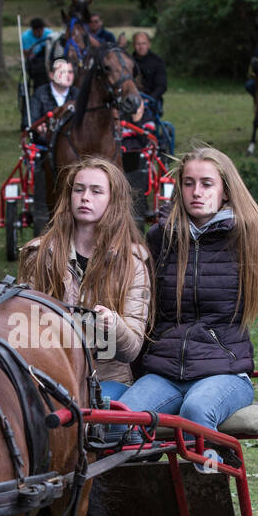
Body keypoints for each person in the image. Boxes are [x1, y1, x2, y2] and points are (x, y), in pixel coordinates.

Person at [116, 145, 258, 470]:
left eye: (206, 184)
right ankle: (143, 506)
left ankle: (205, 501)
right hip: (163, 374)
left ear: (226, 191)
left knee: (197, 411)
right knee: (119, 418)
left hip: (225, 372)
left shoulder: (249, 237)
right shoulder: (161, 237)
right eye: (188, 183)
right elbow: (141, 307)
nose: (196, 192)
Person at [18, 157, 152, 403]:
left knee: (86, 411)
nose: (85, 197)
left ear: (114, 200)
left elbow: (132, 349)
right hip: (48, 376)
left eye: (96, 190)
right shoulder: (40, 254)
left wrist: (114, 325)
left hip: (108, 380)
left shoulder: (132, 263)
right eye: (78, 189)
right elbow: (23, 328)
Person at [29, 57, 77, 136]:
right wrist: (38, 127)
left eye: (70, 72)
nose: (67, 76)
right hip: (44, 143)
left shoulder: (77, 95)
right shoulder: (40, 94)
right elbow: (30, 120)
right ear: (52, 75)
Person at [129, 32, 167, 112]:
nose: (141, 47)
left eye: (144, 43)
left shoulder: (158, 62)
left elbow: (162, 86)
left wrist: (148, 100)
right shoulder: (128, 62)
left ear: (149, 44)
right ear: (133, 45)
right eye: (138, 44)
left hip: (151, 101)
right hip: (131, 99)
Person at [22, 16, 54, 90]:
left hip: (47, 60)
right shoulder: (26, 36)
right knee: (39, 73)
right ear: (32, 30)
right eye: (37, 31)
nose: (39, 33)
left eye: (41, 30)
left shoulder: (50, 34)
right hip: (35, 62)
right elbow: (27, 55)